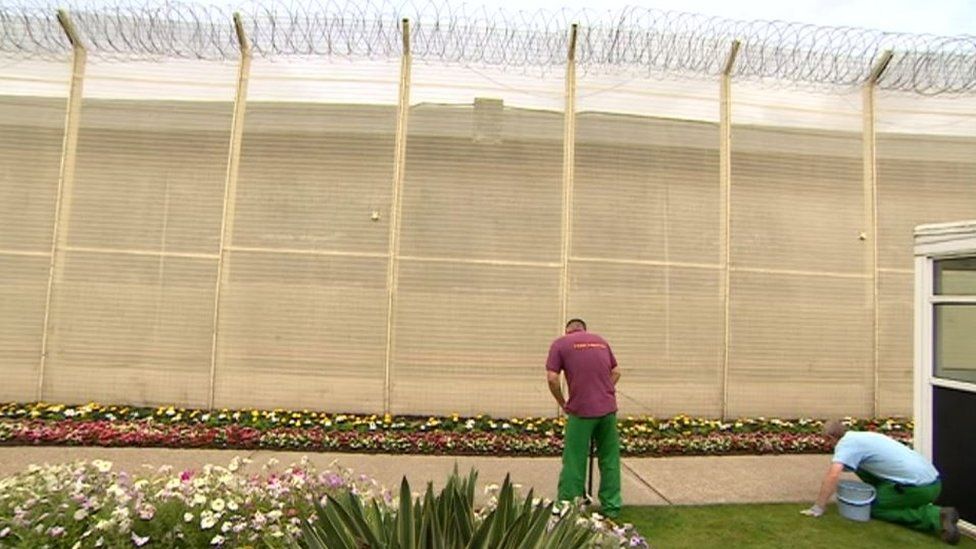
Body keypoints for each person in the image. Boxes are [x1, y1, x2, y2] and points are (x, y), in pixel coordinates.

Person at [802, 419, 960, 545]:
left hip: (918, 488)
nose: (827, 445)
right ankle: (895, 499)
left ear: (830, 438)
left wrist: (818, 507)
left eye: (826, 441)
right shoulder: (863, 436)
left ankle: (935, 516)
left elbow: (833, 475)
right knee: (857, 466)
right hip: (934, 482)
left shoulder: (846, 445)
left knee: (870, 508)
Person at [546, 318, 621, 518]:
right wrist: (603, 389)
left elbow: (552, 378)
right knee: (609, 458)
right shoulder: (601, 341)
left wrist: (563, 403)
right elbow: (616, 372)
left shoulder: (560, 344)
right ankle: (612, 506)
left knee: (574, 459)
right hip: (608, 409)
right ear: (584, 330)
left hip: (581, 410)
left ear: (567, 330)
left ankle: (568, 503)